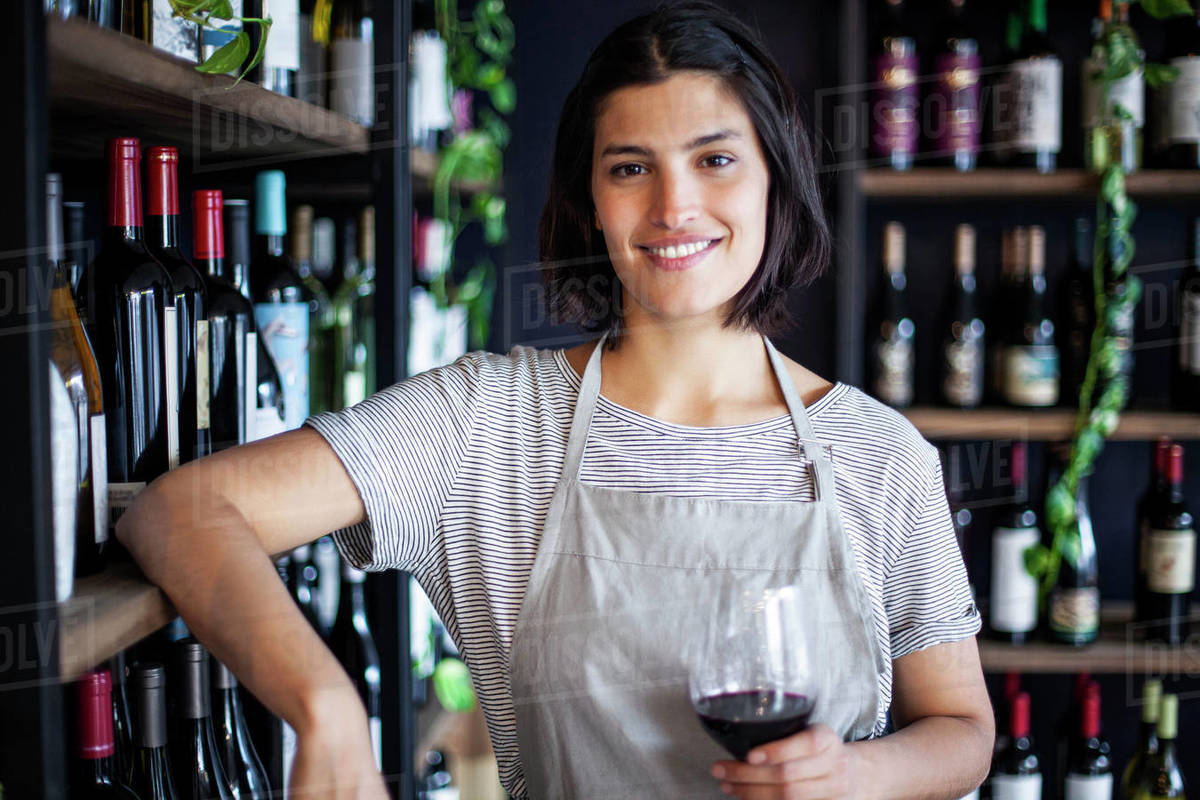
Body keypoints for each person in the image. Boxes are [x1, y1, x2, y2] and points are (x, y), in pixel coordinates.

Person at [118, 2, 993, 797]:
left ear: (775, 177)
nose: (674, 205)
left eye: (716, 159)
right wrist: (325, 706)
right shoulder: (487, 424)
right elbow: (183, 512)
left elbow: (962, 732)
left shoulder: (881, 456)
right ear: (592, 202)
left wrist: (856, 776)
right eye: (629, 168)